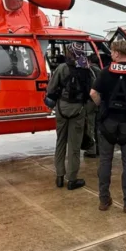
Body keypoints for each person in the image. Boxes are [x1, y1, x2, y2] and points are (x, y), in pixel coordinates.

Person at [90, 39, 126, 213]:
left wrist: (102, 106)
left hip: (108, 123)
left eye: (112, 52)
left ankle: (104, 200)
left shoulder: (105, 72)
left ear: (116, 53)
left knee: (105, 161)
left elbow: (93, 93)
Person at [45, 42, 92, 190]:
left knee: (60, 142)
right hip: (78, 110)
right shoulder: (86, 70)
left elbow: (51, 89)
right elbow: (92, 91)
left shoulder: (61, 68)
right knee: (74, 146)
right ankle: (72, 179)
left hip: (61, 108)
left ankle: (59, 176)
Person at [82, 53, 102, 159]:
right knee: (98, 126)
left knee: (89, 125)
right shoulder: (102, 71)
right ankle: (99, 148)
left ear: (89, 61)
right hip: (99, 101)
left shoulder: (89, 71)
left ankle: (91, 149)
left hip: (90, 101)